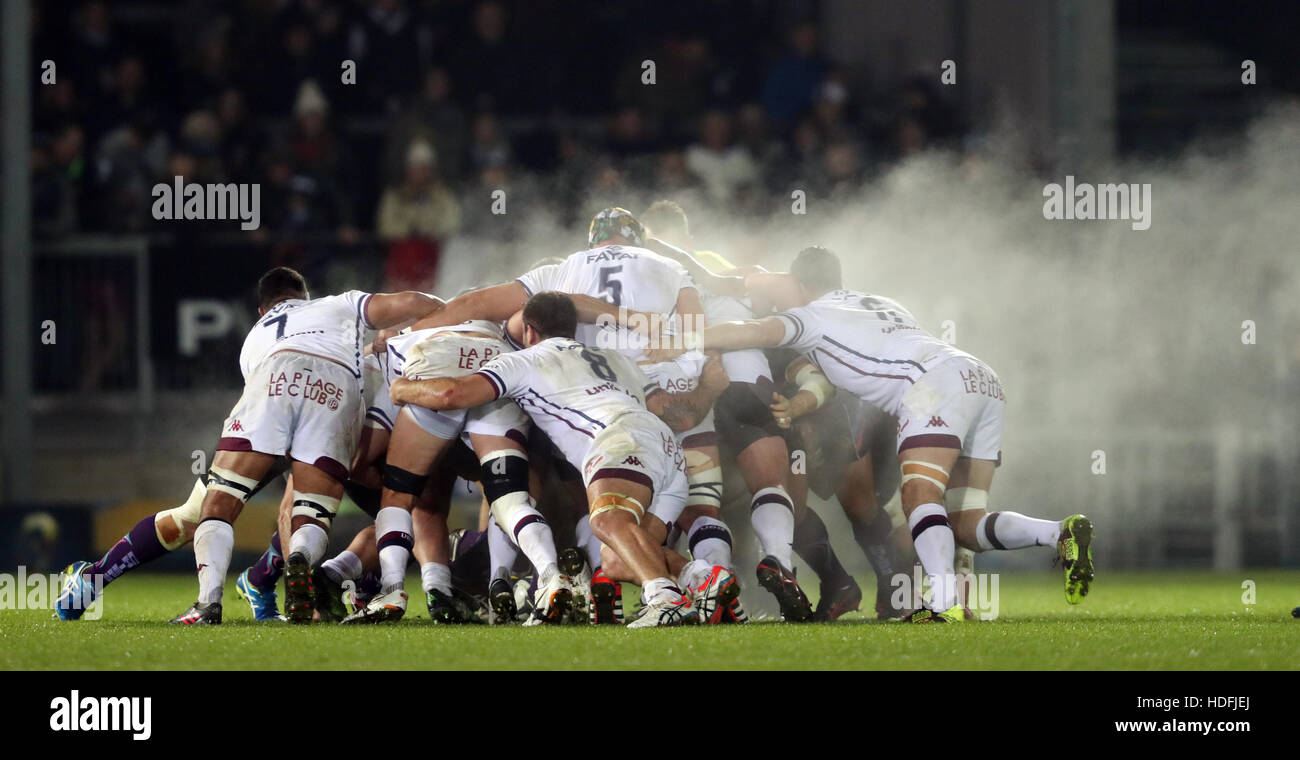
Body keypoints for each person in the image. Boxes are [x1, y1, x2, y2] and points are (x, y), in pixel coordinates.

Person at [657, 246, 1095, 621]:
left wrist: (684, 340)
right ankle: (1059, 533)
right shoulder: (880, 301)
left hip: (931, 388)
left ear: (799, 284)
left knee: (919, 499)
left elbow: (749, 331)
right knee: (965, 521)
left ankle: (943, 606)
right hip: (981, 379)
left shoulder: (810, 316)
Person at [389, 292, 730, 628]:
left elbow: (453, 394)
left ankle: (665, 600)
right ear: (573, 328)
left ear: (530, 331)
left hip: (616, 440)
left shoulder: (523, 360)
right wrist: (710, 388)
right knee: (614, 558)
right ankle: (701, 576)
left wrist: (404, 389)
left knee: (606, 523)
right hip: (668, 453)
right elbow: (675, 414)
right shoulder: (616, 359)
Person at [169, 267, 441, 624]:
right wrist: (447, 311)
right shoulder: (339, 304)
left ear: (263, 309)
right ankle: (300, 556)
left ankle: (208, 605)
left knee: (221, 499)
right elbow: (412, 302)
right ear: (305, 296)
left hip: (274, 373)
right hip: (336, 384)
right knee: (313, 511)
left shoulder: (254, 337)